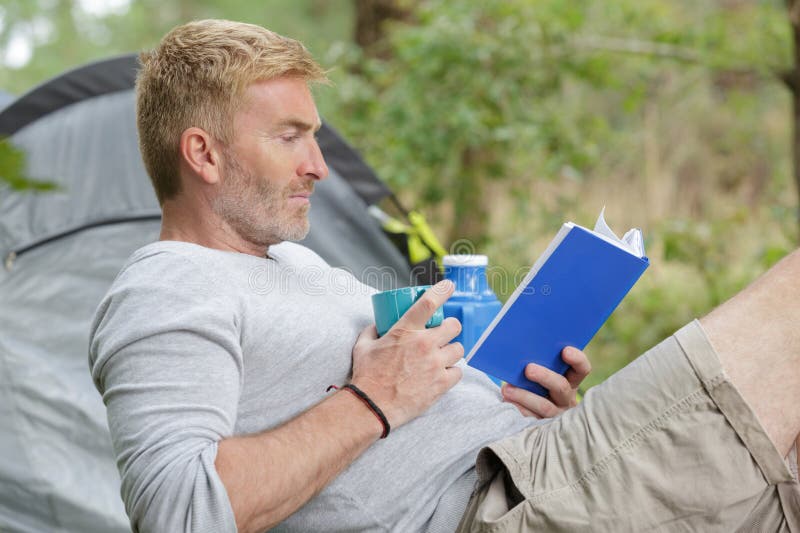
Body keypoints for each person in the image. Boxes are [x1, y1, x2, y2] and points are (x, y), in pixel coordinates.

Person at [88, 19, 800, 533]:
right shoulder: (167, 287)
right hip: (498, 506)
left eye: (315, 135)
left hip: (537, 463)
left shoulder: (289, 262)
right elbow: (179, 512)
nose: (319, 166)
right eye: (289, 136)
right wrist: (372, 399)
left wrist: (518, 392)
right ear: (203, 155)